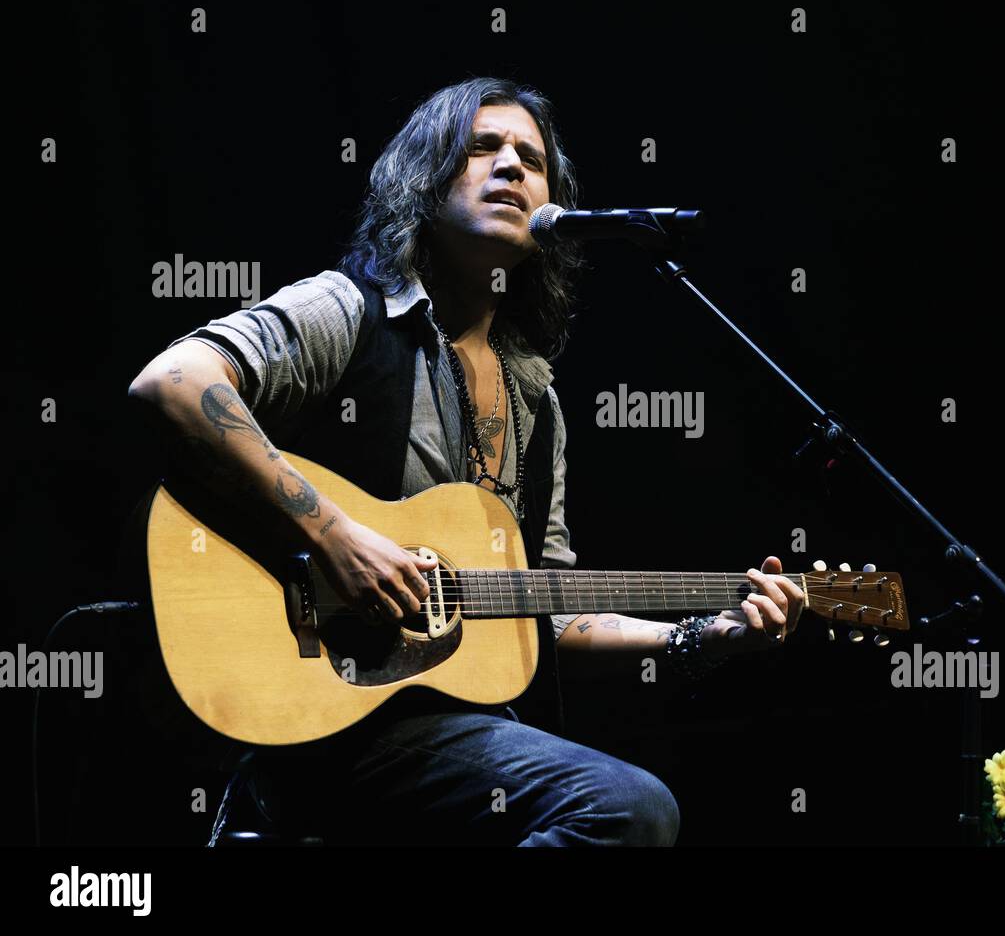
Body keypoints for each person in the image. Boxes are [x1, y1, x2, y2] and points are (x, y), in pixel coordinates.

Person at [127, 76, 804, 846]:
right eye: (483, 148)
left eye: (531, 158)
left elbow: (545, 611)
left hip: (442, 737)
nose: (511, 167)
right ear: (424, 177)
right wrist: (334, 536)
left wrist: (702, 637)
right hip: (310, 716)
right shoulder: (350, 309)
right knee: (626, 808)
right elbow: (173, 384)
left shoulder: (534, 401)